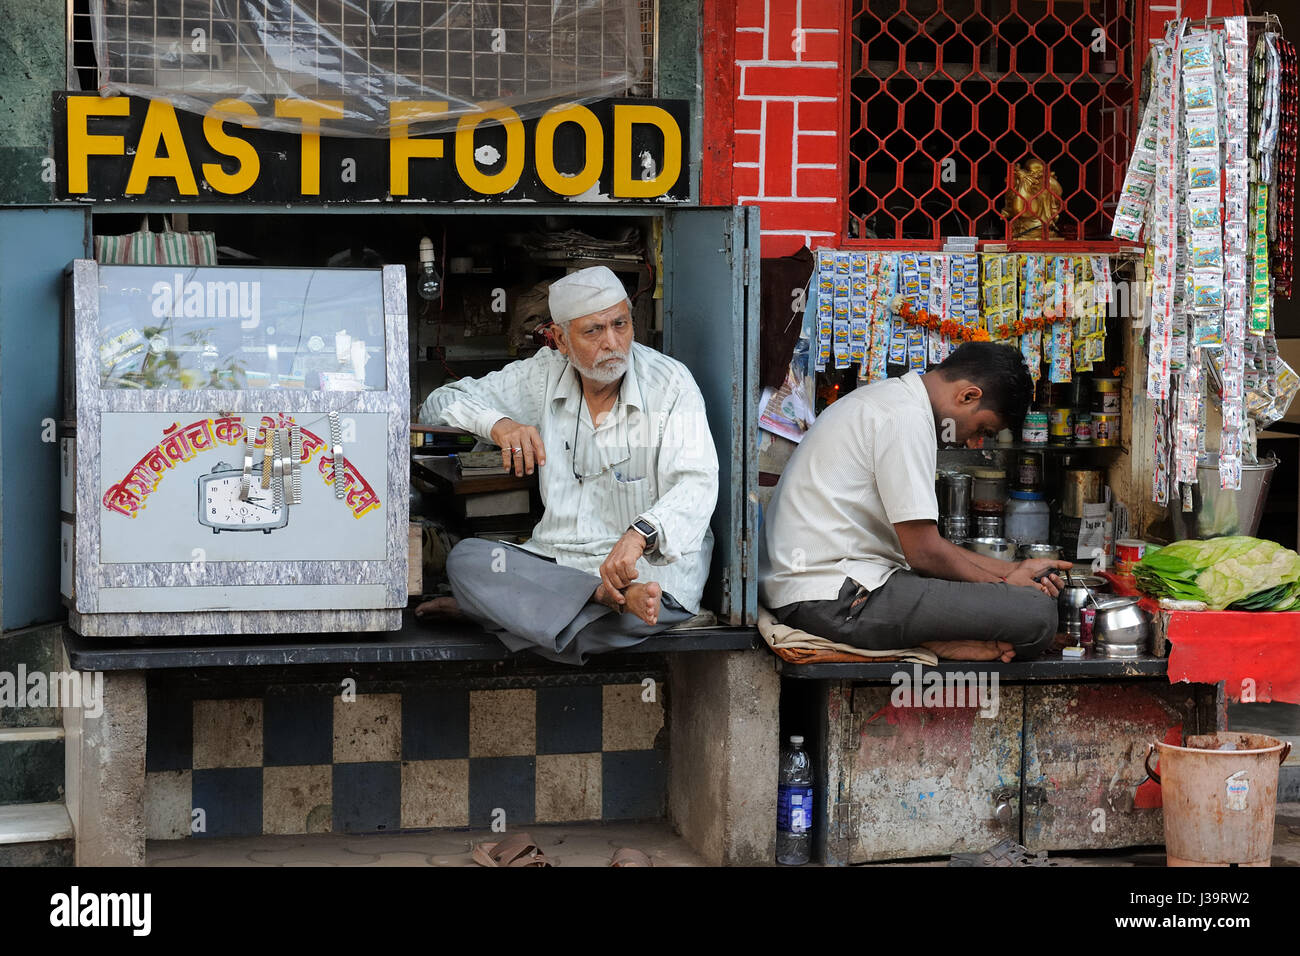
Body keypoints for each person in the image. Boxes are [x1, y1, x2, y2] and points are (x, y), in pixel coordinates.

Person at [417, 265, 719, 664]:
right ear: (559, 338)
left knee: (642, 614)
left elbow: (697, 484)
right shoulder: (543, 374)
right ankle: (593, 600)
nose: (612, 342)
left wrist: (638, 535)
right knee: (468, 560)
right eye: (593, 331)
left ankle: (498, 612)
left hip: (645, 579)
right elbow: (437, 404)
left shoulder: (671, 384)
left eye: (620, 324)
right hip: (561, 567)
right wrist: (500, 425)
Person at [758, 342, 1070, 662]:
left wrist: (1012, 570)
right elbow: (924, 553)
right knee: (1037, 614)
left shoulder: (894, 401)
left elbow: (925, 547)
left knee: (1023, 606)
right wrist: (1005, 586)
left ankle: (933, 640)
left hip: (831, 590)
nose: (975, 442)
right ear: (968, 395)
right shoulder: (905, 417)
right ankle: (933, 638)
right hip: (831, 600)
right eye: (982, 429)